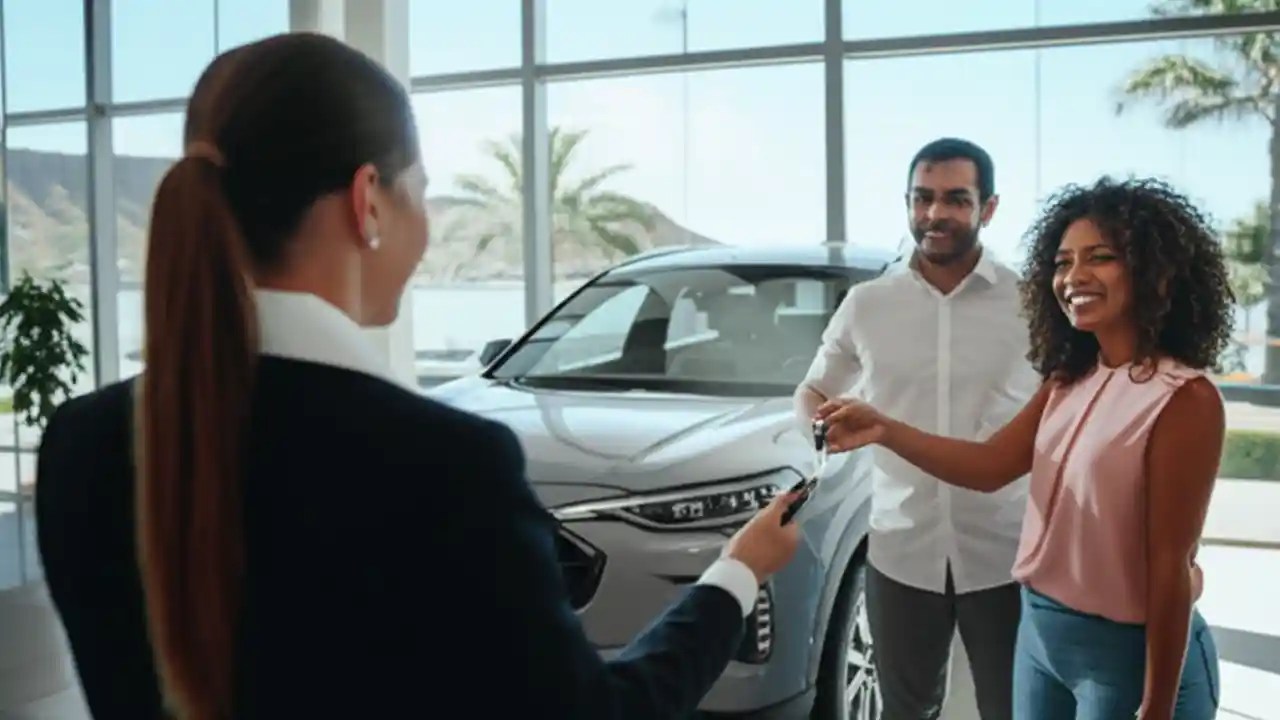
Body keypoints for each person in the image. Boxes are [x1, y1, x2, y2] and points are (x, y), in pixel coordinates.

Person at [33, 33, 803, 720]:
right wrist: (735, 575)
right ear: (368, 201)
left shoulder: (80, 444)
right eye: (423, 190)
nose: (427, 223)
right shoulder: (447, 466)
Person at [817, 176, 1229, 719]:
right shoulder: (1067, 379)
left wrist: (1156, 706)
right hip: (1039, 633)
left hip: (1125, 653)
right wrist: (884, 428)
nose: (1074, 277)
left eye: (1100, 257)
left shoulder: (1184, 399)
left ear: (1154, 269)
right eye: (1062, 262)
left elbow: (1170, 566)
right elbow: (990, 466)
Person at [794, 137, 1038, 719]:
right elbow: (813, 390)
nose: (935, 214)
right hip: (900, 550)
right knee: (905, 711)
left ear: (989, 208)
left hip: (1007, 551)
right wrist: (822, 430)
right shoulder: (867, 304)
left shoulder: (1031, 303)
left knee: (1013, 709)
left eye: (956, 199)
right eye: (922, 198)